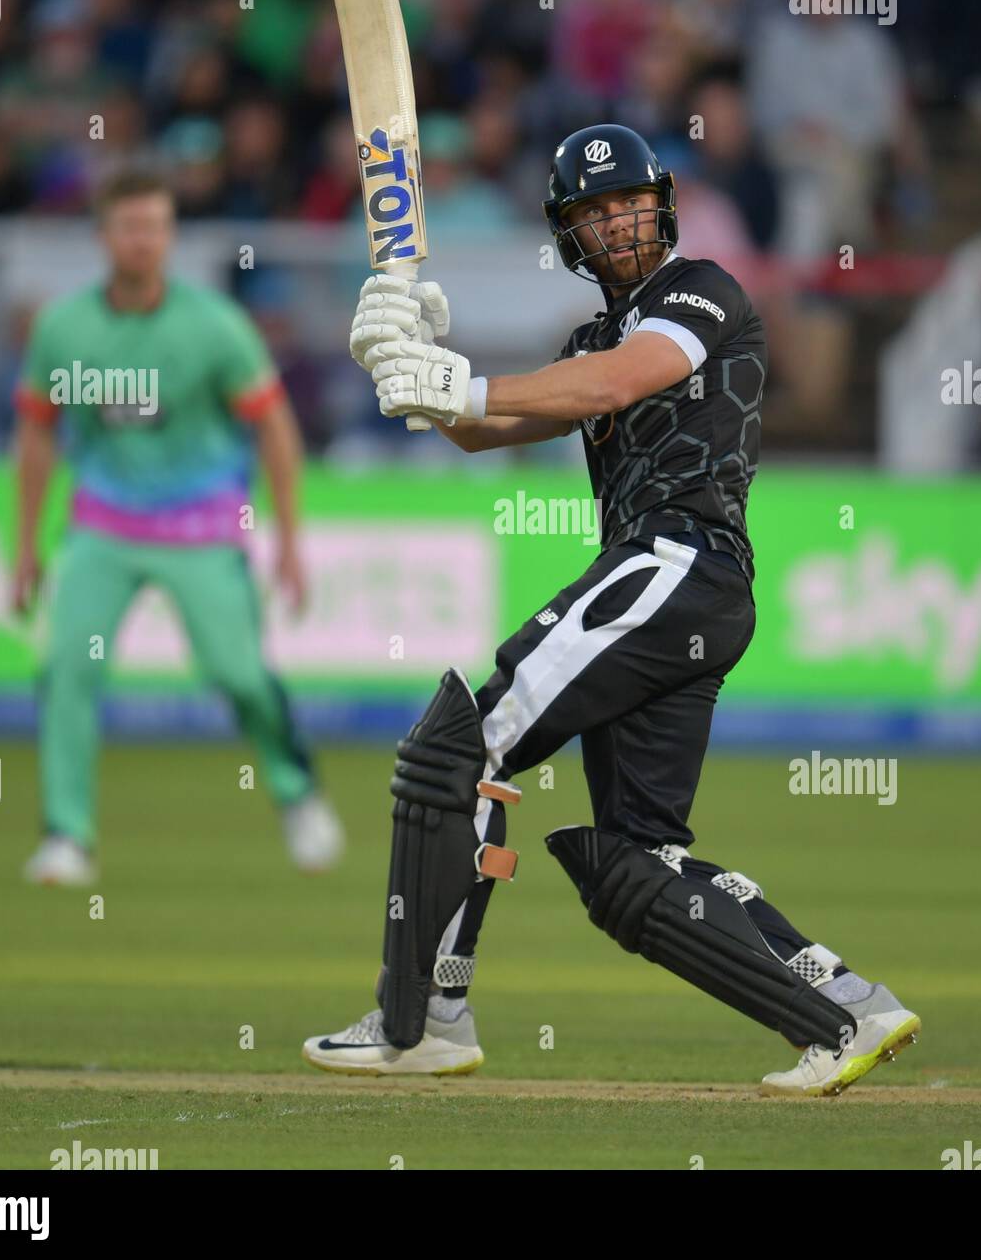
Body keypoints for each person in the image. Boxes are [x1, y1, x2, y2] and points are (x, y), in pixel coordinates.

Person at [302, 125, 920, 1096]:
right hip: (680, 590)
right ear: (569, 234)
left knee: (456, 746)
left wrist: (453, 380)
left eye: (626, 200)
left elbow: (622, 379)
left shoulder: (698, 291)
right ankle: (845, 1010)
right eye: (592, 211)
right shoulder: (585, 338)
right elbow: (487, 429)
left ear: (660, 203)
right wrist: (405, 361)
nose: (614, 220)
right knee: (634, 869)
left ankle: (416, 1018)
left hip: (677, 562)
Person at [12, 169, 343, 885]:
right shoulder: (63, 327)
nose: (145, 242)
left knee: (240, 676)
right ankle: (67, 834)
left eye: (158, 227)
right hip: (102, 522)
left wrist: (288, 541)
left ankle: (298, 793)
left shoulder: (214, 326)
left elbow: (275, 427)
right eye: (131, 227)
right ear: (104, 235)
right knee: (67, 666)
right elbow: (36, 433)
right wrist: (25, 547)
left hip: (200, 525)